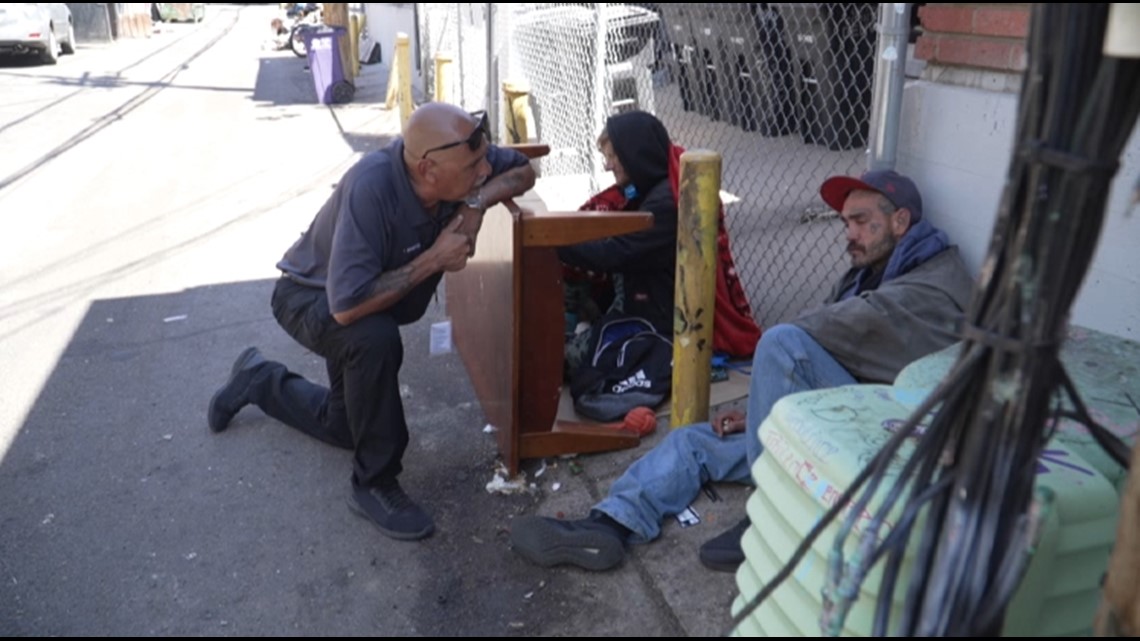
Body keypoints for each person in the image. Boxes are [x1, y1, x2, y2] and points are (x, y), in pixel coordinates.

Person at [508, 169, 976, 571]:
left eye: (861, 222)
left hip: (887, 438)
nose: (848, 233)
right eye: (845, 222)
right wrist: (760, 411)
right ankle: (609, 525)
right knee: (693, 439)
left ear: (900, 220)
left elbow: (834, 335)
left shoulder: (934, 283)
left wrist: (766, 402)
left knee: (782, 342)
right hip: (842, 417)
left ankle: (770, 513)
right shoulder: (876, 265)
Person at [207, 102, 536, 542]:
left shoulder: (462, 161)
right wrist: (433, 259)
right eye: (474, 168)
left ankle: (258, 380)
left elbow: (524, 171)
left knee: (346, 426)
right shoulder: (372, 187)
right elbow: (346, 306)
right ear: (428, 169)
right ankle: (374, 482)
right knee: (374, 340)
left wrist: (475, 204)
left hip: (363, 300)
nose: (484, 170)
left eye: (484, 162)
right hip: (311, 297)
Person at [561, 111, 762, 376]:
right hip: (648, 301)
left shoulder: (665, 204)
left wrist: (555, 242)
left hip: (657, 319)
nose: (608, 166)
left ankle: (574, 336)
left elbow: (616, 253)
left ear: (635, 155)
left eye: (613, 157)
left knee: (560, 360)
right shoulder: (652, 187)